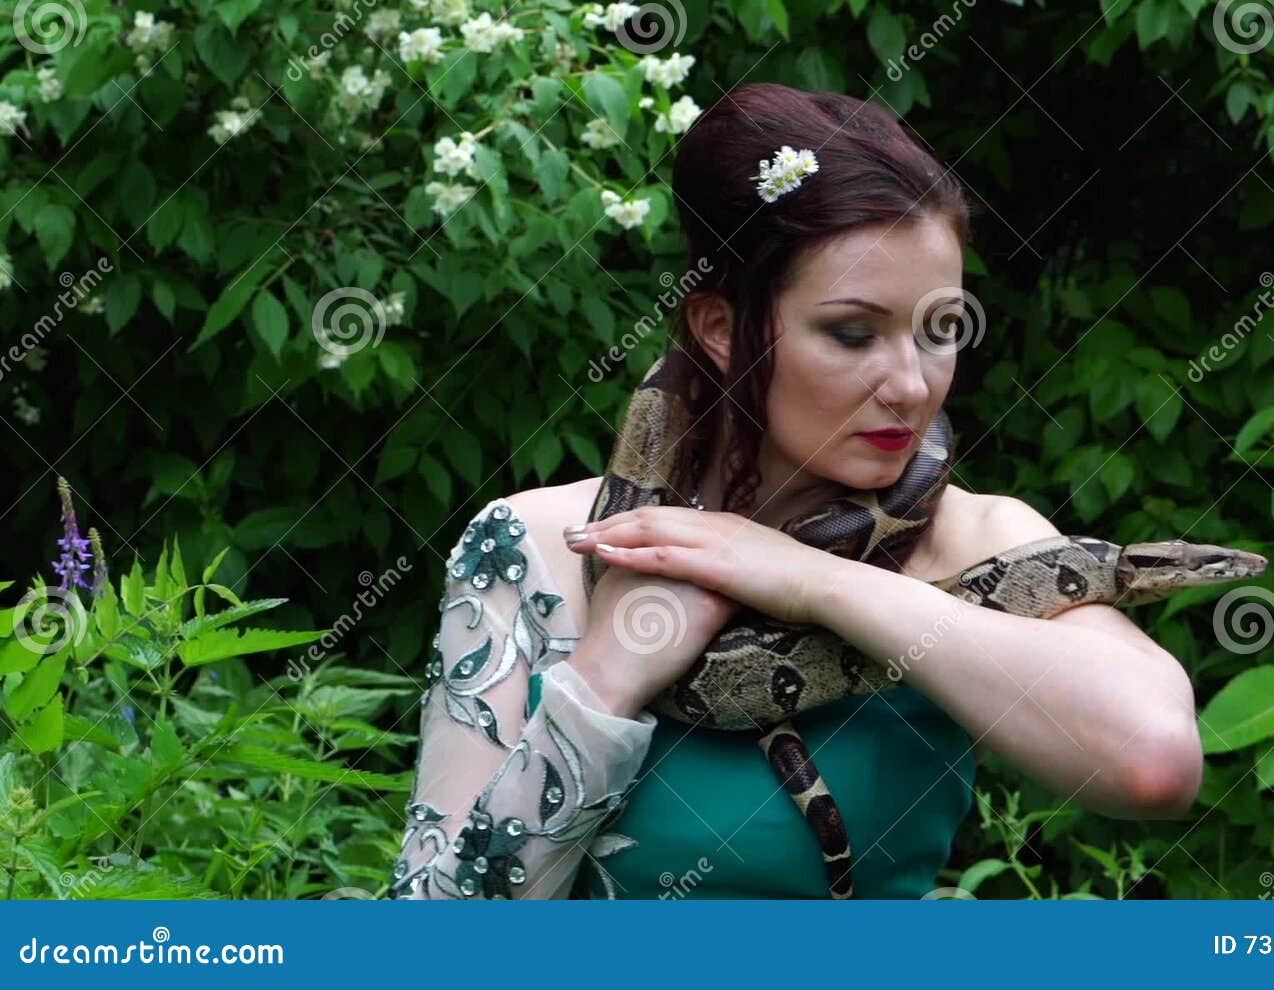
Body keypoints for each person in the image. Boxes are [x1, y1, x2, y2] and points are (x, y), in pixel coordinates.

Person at [387, 82, 1202, 901]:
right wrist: (602, 683)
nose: (913, 386)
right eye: (853, 333)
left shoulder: (975, 541)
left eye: (940, 329)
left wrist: (814, 579)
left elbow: (1156, 761)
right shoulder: (533, 550)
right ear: (721, 327)